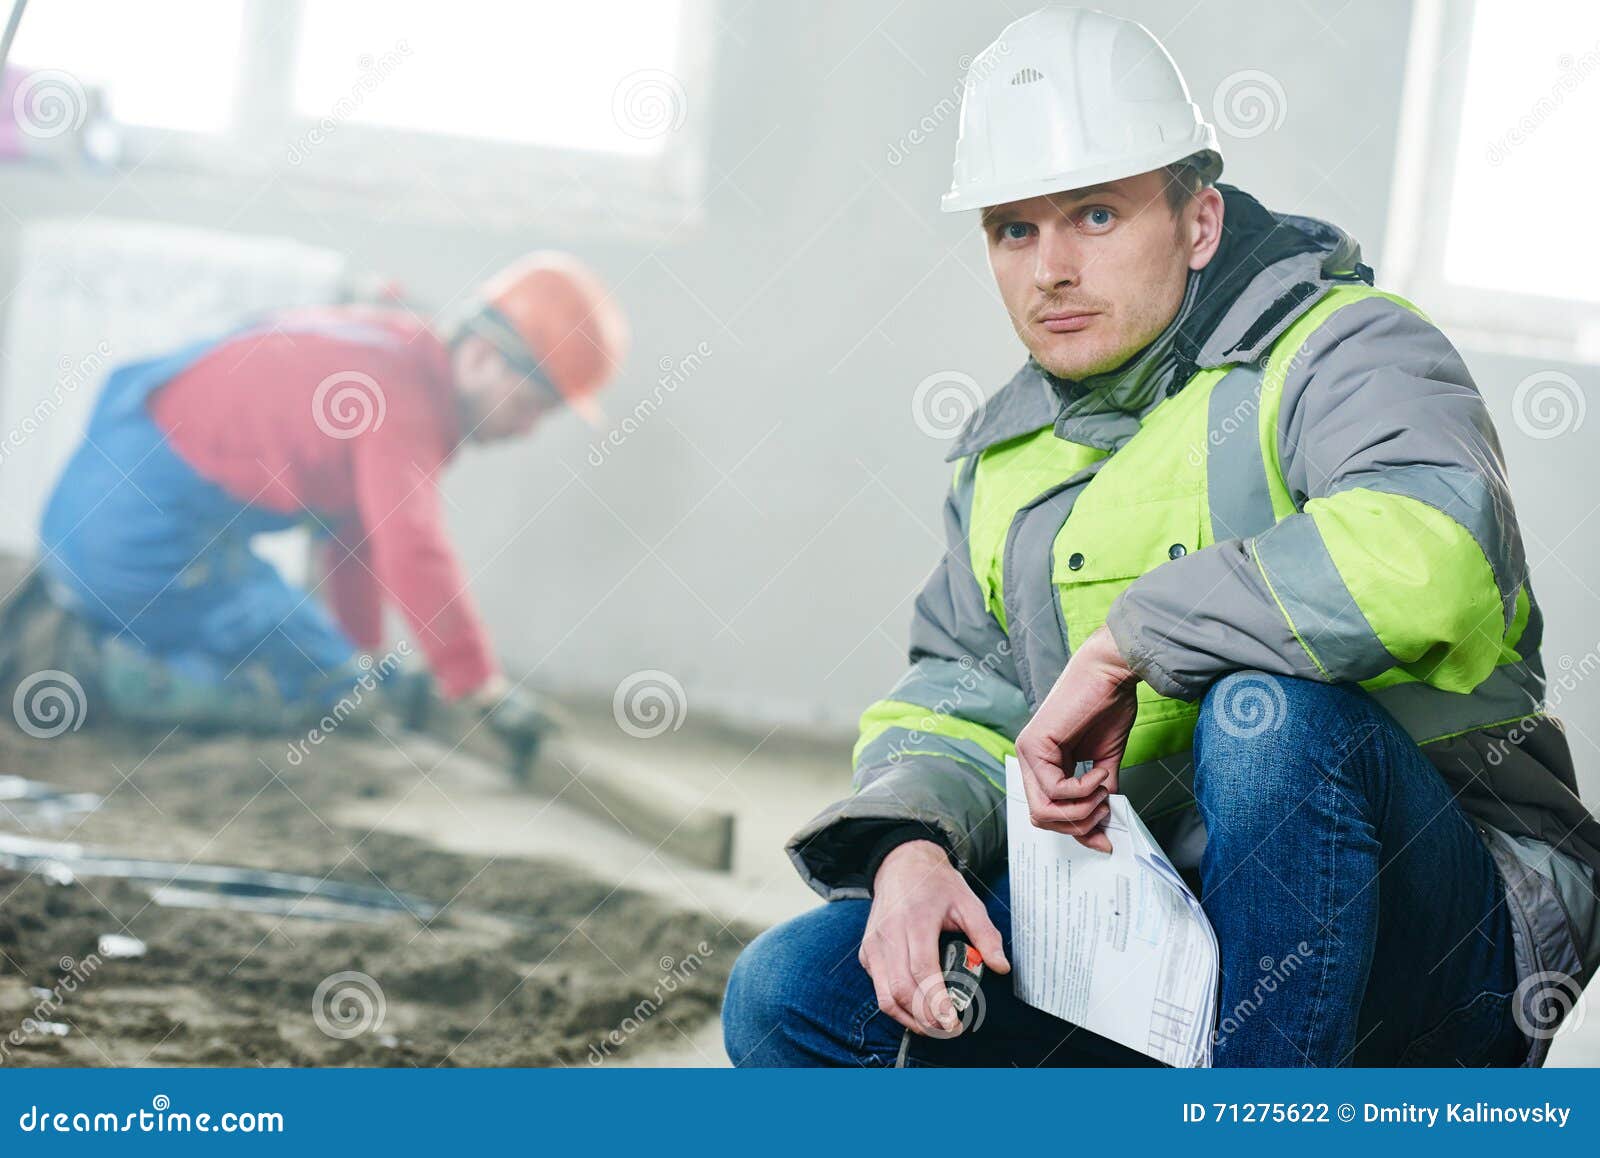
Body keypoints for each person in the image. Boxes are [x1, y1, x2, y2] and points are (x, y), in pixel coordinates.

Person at [723, 6, 1600, 1067]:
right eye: (1014, 228)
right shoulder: (1006, 457)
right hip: (1166, 928)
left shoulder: (1344, 350)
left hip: (1442, 938)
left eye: (1094, 215)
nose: (1050, 267)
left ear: (1198, 224)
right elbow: (959, 687)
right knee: (787, 993)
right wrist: (912, 843)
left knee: (1265, 718)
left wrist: (1129, 641)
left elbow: (1429, 556)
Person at [29, 252, 627, 731]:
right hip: (132, 534)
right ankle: (99, 669)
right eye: (526, 407)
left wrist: (360, 655)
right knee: (322, 690)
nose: (524, 431)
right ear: (480, 356)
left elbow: (358, 540)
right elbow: (410, 547)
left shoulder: (396, 350)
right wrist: (478, 687)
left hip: (109, 507)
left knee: (345, 677)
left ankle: (103, 615)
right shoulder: (406, 404)